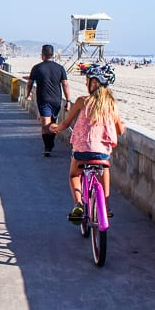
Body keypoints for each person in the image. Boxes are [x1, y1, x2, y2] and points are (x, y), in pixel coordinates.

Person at [49, 63, 125, 221]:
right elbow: (119, 130)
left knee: (73, 175)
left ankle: (78, 204)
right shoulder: (111, 104)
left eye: (88, 80)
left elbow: (66, 123)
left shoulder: (82, 101)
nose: (86, 83)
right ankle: (106, 203)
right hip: (102, 153)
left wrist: (56, 128)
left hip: (82, 151)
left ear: (94, 83)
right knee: (104, 168)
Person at [26, 44, 70, 156]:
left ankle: (49, 145)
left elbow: (30, 83)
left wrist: (28, 94)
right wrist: (68, 101)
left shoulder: (37, 68)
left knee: (47, 125)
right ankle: (48, 147)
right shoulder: (60, 68)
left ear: (42, 55)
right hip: (56, 100)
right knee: (50, 124)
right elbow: (65, 85)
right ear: (53, 55)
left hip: (44, 99)